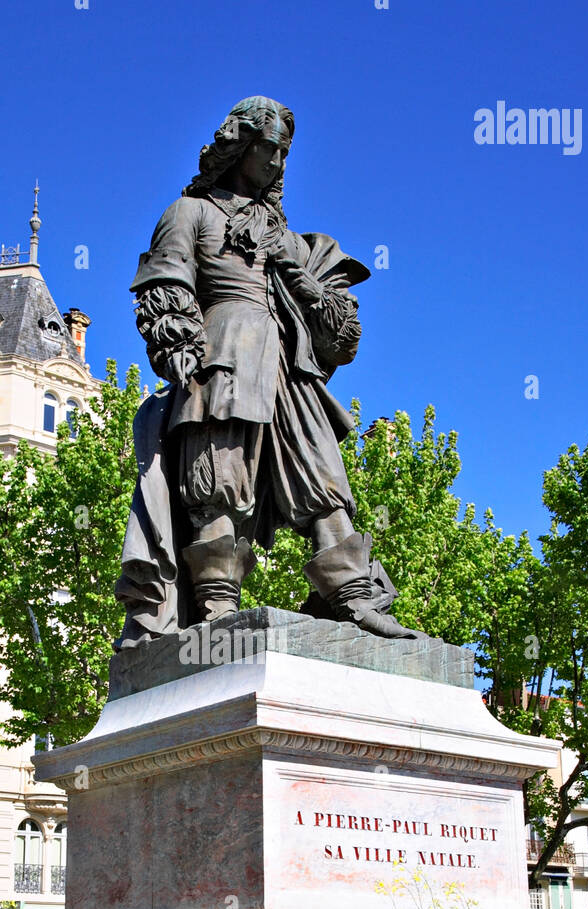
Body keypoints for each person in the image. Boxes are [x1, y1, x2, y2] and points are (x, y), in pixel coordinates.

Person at [115, 95, 415, 646]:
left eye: (285, 154)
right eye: (268, 150)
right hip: (222, 356)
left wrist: (302, 281)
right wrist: (178, 340)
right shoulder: (192, 212)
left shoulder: (296, 243)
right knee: (216, 483)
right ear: (239, 147)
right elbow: (166, 281)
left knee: (322, 480)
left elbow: (341, 338)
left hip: (287, 366)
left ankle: (353, 597)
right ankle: (215, 608)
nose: (278, 164)